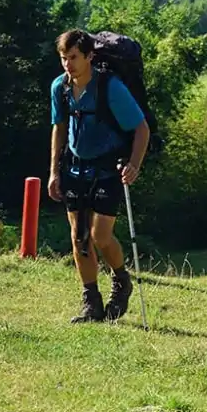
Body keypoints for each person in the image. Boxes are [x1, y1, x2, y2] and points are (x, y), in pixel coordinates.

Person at [49, 29, 150, 323]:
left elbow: (141, 128)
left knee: (100, 235)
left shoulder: (110, 87)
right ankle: (91, 303)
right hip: (74, 168)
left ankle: (121, 282)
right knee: (80, 238)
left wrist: (134, 165)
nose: (68, 64)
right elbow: (58, 128)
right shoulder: (60, 88)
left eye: (74, 58)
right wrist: (54, 171)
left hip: (108, 169)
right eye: (63, 58)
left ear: (90, 56)